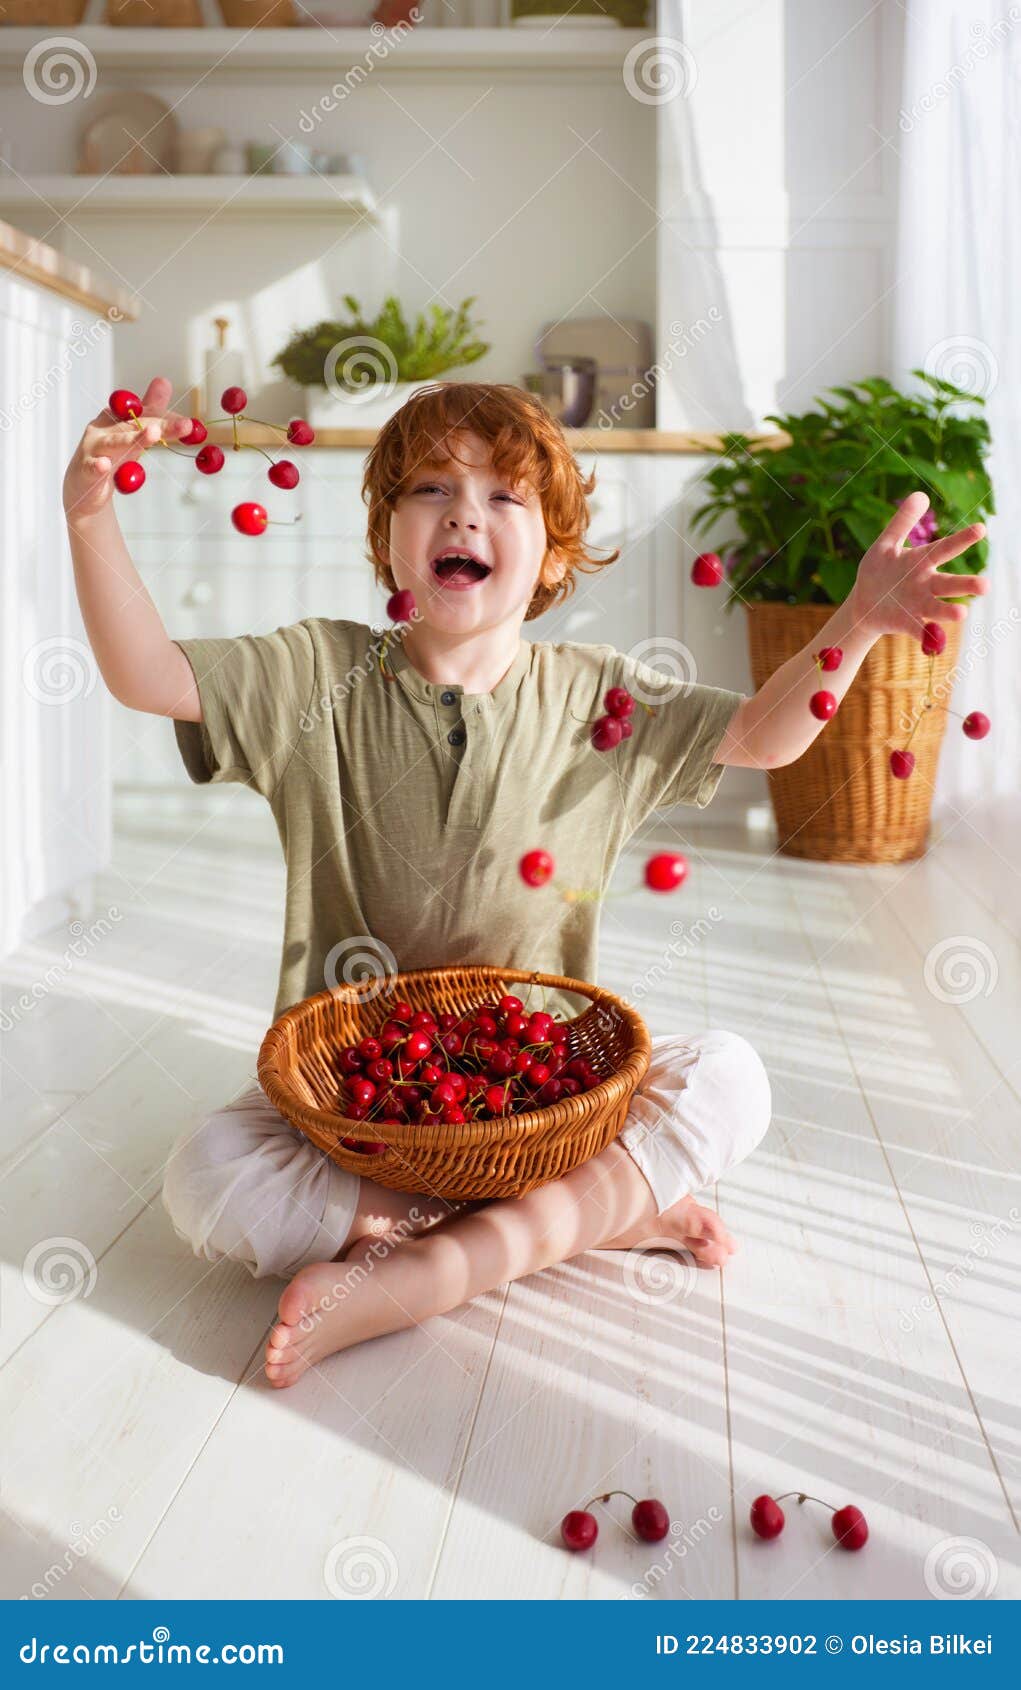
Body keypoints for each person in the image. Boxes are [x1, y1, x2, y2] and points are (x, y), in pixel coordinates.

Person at [62, 376, 986, 1390]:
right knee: (203, 1181)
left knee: (731, 1076)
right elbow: (147, 671)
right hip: (360, 1100)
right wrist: (90, 512)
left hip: (547, 1091)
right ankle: (586, 1218)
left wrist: (852, 621)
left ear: (550, 556)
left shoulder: (600, 696)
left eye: (503, 496)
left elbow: (763, 736)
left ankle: (425, 1269)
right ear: (387, 540)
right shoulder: (312, 674)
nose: (464, 511)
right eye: (428, 489)